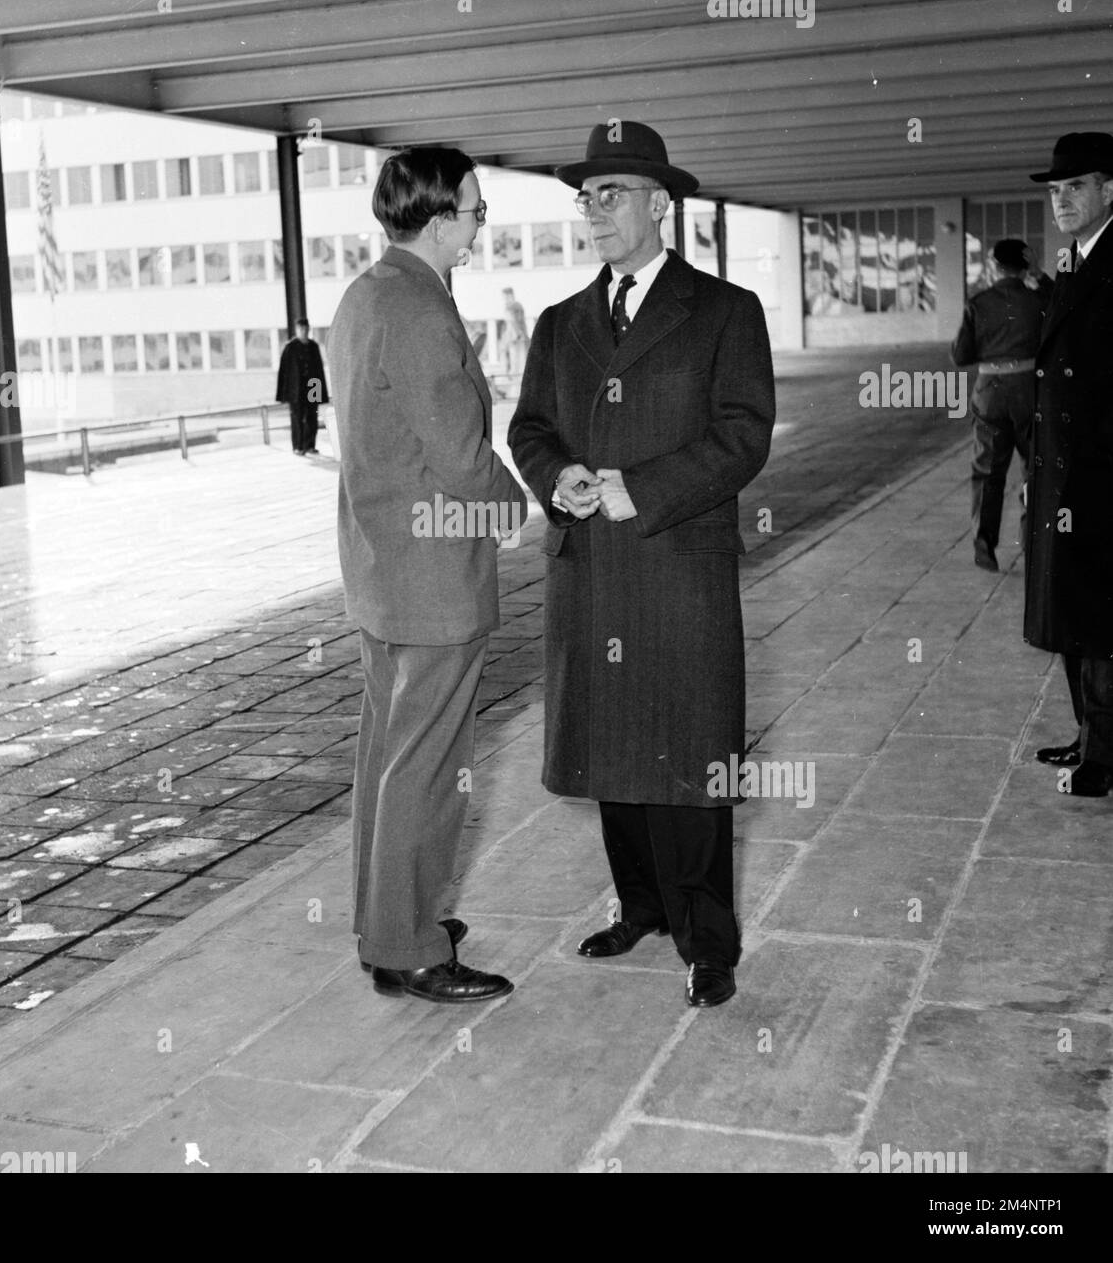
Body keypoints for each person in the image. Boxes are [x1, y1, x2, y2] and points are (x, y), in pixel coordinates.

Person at [508, 121, 775, 1008]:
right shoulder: (558, 323)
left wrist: (641, 488)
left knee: (692, 755)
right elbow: (528, 429)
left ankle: (708, 941)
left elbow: (742, 434)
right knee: (608, 752)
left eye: (610, 193)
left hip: (673, 558)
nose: (592, 211)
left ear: (661, 205)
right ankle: (642, 908)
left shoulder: (725, 312)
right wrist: (559, 477)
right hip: (589, 565)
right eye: (584, 196)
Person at [328, 146, 528, 1002]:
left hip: (382, 570)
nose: (480, 228)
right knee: (429, 767)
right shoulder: (417, 307)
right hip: (434, 577)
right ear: (440, 218)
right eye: (476, 213)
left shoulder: (364, 295)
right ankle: (409, 946)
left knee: (386, 755)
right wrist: (516, 504)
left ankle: (386, 923)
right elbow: (456, 451)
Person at [1024, 132, 1113, 798]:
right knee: (1071, 616)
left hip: (1101, 476)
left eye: (1073, 186)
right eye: (1054, 190)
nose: (1059, 199)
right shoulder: (1074, 262)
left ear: (1109, 189)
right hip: (1064, 476)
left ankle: (1103, 759)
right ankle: (1089, 739)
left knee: (1099, 618)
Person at [951, 238, 1047, 572]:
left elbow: (960, 356)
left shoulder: (978, 302)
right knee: (1035, 469)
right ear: (1025, 267)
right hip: (1030, 390)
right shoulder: (1039, 301)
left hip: (989, 392)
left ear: (993, 266)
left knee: (987, 471)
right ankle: (1033, 544)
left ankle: (984, 546)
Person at [275, 318, 328, 455]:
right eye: (301, 329)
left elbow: (319, 370)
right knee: (297, 418)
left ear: (308, 330)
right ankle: (298, 446)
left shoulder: (313, 346)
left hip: (312, 387)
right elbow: (284, 371)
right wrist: (283, 393)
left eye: (305, 329)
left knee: (312, 416)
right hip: (296, 389)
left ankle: (310, 445)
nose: (303, 332)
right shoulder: (290, 347)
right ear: (297, 330)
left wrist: (320, 393)